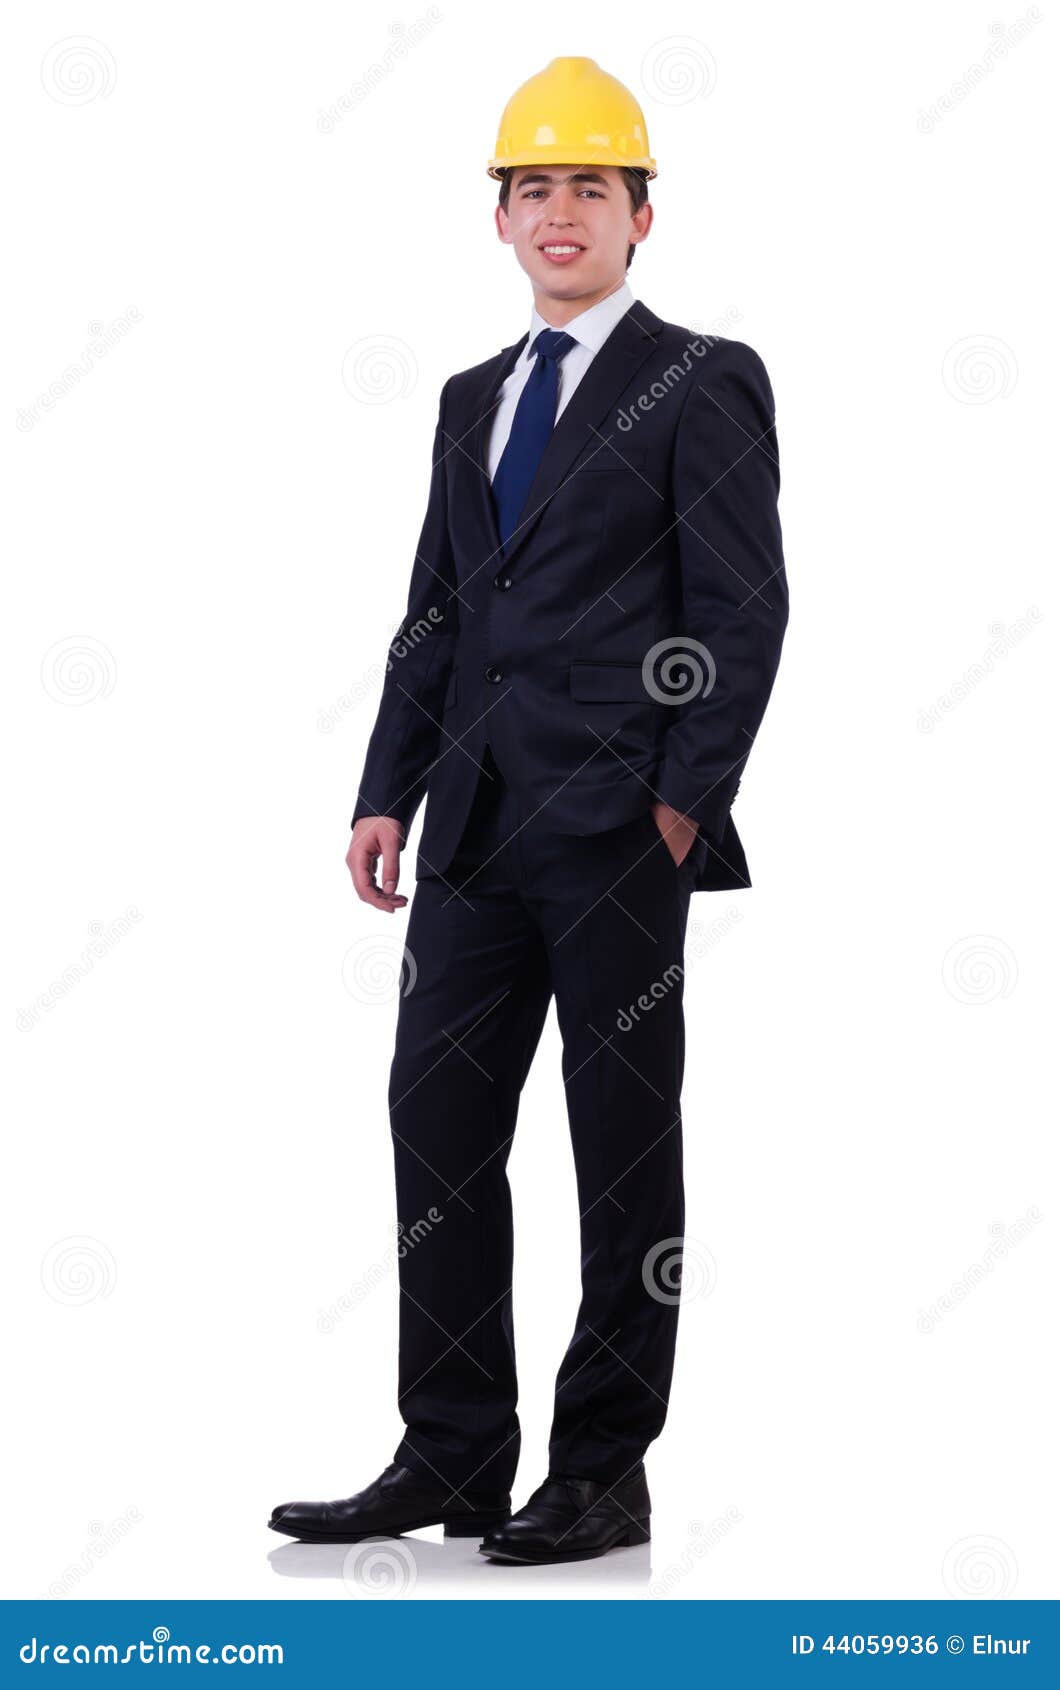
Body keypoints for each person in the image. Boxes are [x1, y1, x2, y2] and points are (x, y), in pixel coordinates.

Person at [270, 55, 787, 1565]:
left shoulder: (703, 378)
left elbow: (744, 607)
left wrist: (681, 806)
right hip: (475, 825)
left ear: (641, 216)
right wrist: (386, 790)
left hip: (621, 828)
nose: (562, 212)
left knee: (619, 1145)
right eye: (535, 188)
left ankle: (604, 1467)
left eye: (591, 187)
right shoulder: (470, 401)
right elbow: (438, 608)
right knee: (435, 1126)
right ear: (500, 218)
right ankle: (452, 1447)